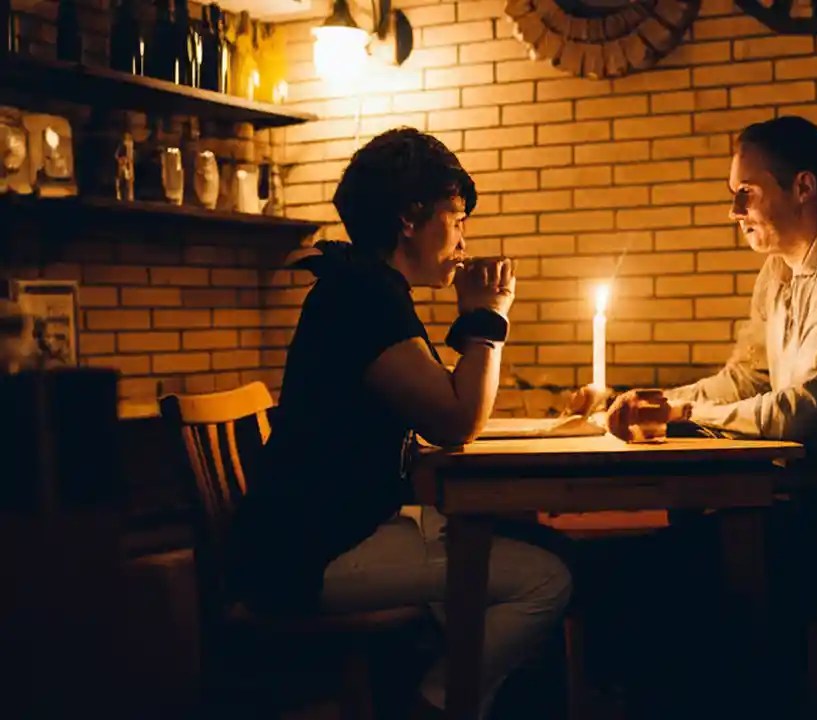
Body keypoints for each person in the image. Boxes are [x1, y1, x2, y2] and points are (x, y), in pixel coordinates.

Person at [567, 116, 817, 717]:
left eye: (747, 192)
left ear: (803, 188)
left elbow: (800, 413)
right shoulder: (779, 274)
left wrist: (682, 413)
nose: (733, 210)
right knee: (664, 555)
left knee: (663, 569)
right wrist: (649, 400)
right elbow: (745, 378)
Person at [228, 128, 571, 719]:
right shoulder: (361, 297)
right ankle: (432, 706)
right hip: (311, 553)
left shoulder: (364, 286)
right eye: (457, 218)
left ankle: (447, 700)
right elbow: (457, 419)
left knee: (500, 559)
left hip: (329, 532)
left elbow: (447, 405)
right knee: (546, 578)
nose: (463, 239)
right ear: (411, 218)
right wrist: (487, 317)